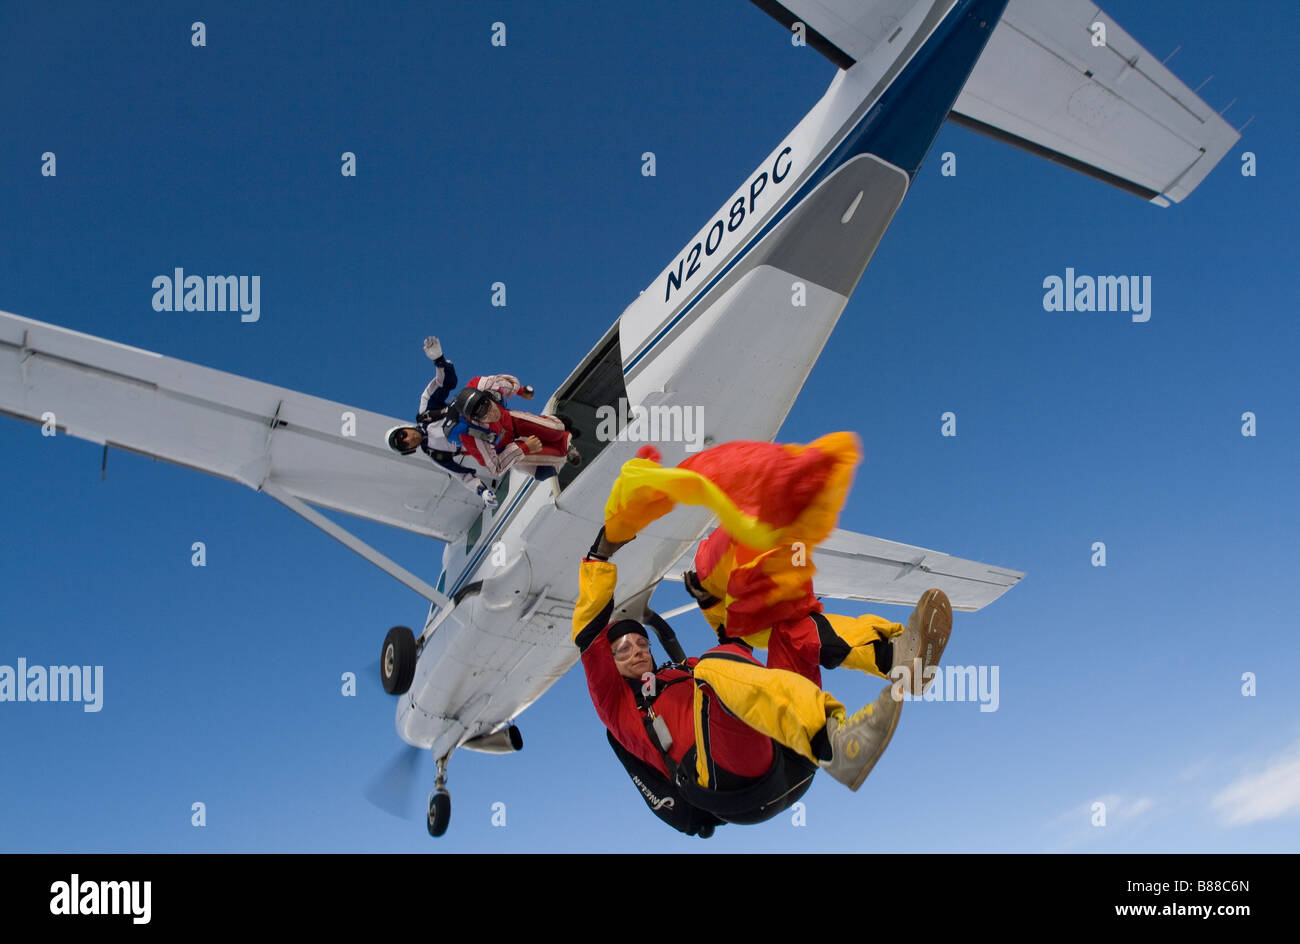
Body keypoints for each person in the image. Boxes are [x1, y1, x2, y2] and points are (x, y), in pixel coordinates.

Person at [574, 528, 950, 837]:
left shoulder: (682, 671)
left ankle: (896, 657)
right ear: (610, 663)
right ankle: (836, 740)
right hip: (731, 784)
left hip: (786, 754)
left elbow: (734, 644)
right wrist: (599, 558)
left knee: (786, 629)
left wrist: (708, 602)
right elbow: (589, 635)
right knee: (712, 668)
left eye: (641, 644)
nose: (637, 652)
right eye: (623, 650)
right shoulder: (617, 705)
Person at [386, 336, 497, 508]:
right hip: (489, 440)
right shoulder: (435, 454)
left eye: (402, 435)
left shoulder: (427, 410)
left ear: (405, 428)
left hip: (484, 411)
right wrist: (482, 491)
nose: (407, 440)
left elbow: (445, 382)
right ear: (409, 450)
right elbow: (462, 476)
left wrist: (439, 360)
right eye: (403, 445)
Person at [443, 373, 581, 481]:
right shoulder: (473, 436)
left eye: (488, 405)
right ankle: (565, 450)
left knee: (557, 430)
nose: (491, 413)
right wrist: (524, 448)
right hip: (504, 449)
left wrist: (521, 391)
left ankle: (562, 431)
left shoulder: (487, 385)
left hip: (511, 421)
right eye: (483, 415)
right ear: (475, 420)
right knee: (550, 463)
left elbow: (509, 385)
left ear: (487, 396)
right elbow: (495, 467)